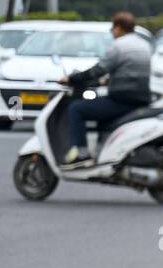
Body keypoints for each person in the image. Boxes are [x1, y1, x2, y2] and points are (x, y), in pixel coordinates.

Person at [59, 11, 153, 166]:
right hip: (142, 99)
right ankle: (102, 152)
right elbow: (131, 72)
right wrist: (107, 81)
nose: (112, 32)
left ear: (118, 28)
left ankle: (81, 153)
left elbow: (97, 70)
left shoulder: (118, 46)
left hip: (122, 99)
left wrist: (71, 79)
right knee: (102, 115)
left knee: (77, 109)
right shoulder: (144, 45)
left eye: (113, 28)